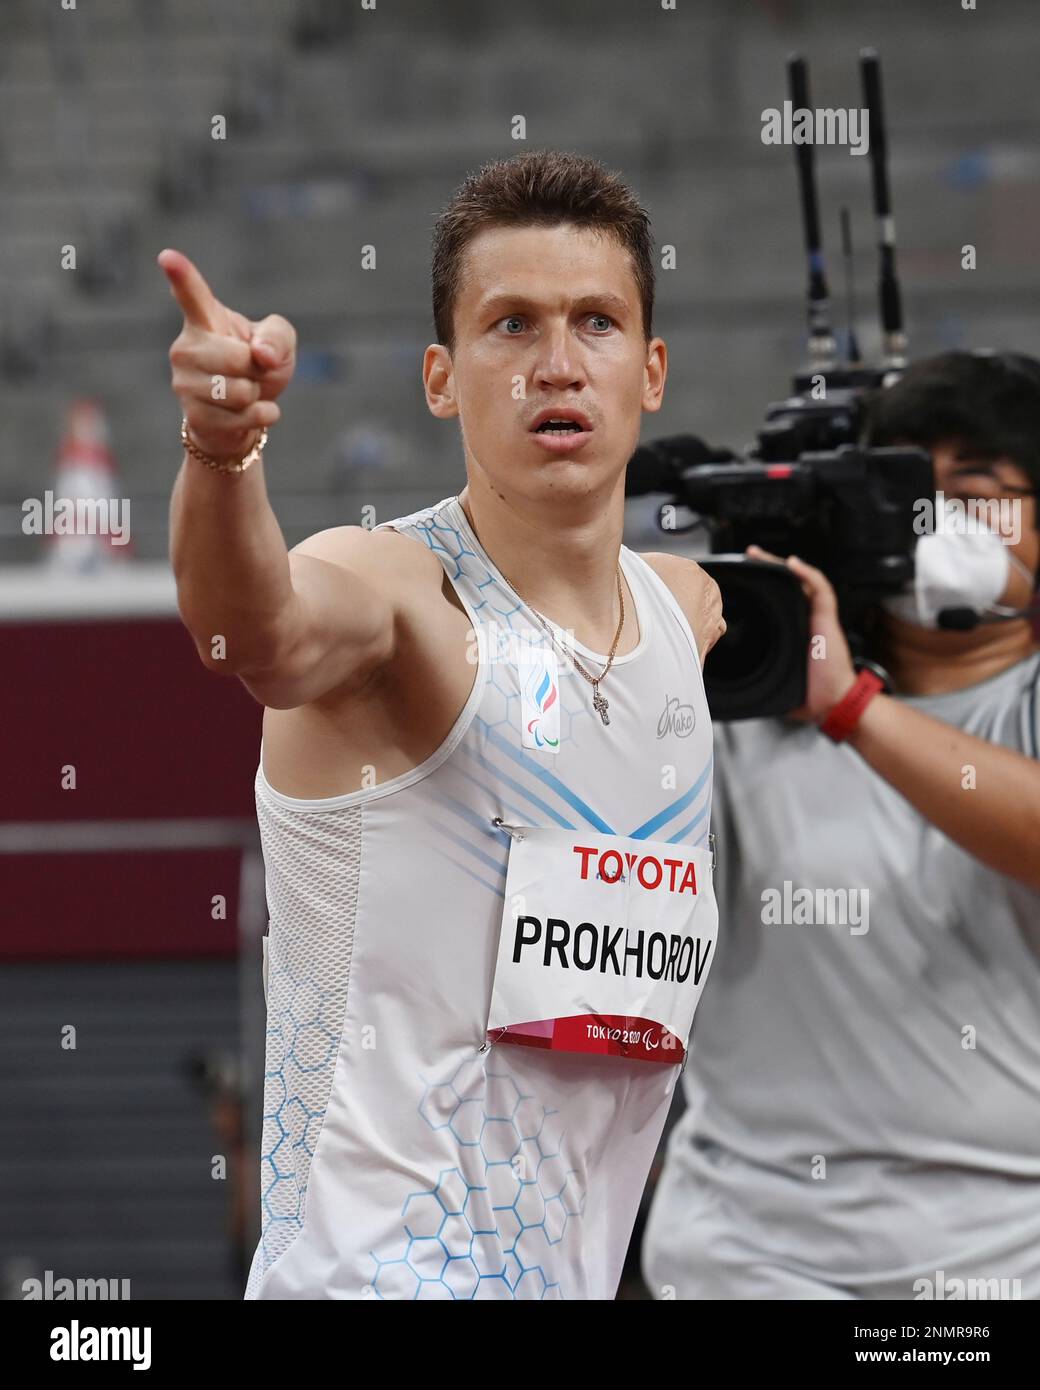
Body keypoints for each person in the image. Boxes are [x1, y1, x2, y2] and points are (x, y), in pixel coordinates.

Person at [160, 149, 726, 1300]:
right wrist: (223, 453)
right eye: (509, 326)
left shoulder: (685, 613)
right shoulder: (395, 594)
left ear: (651, 369)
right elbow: (251, 632)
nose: (555, 365)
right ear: (440, 376)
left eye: (596, 323)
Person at [643, 350, 1040, 1301]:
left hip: (1001, 1263)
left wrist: (854, 710)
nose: (933, 521)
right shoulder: (748, 684)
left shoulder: (988, 701)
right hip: (746, 1260)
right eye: (903, 488)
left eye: (974, 491)